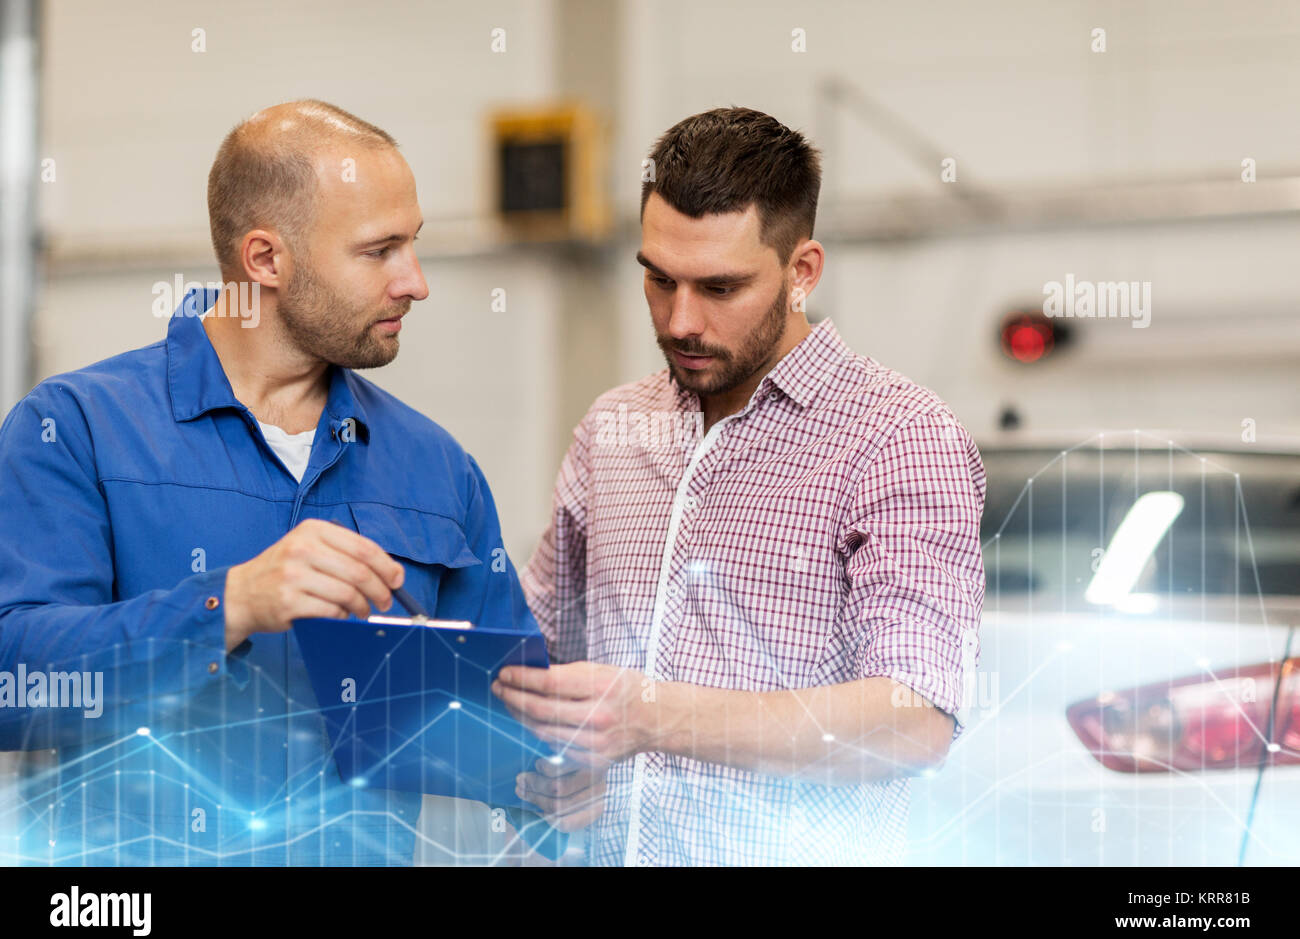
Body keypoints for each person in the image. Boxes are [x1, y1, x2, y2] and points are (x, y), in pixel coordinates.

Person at [0, 100, 537, 865]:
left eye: (412, 245)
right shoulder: (77, 429)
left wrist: (557, 777)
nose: (414, 282)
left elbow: (511, 713)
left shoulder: (435, 467)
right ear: (265, 260)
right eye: (378, 251)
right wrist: (231, 604)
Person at [495, 107, 987, 866]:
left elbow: (911, 721)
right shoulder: (614, 428)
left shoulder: (899, 437)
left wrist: (650, 718)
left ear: (802, 272)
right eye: (660, 280)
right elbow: (535, 654)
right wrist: (554, 769)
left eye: (720, 287)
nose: (681, 320)